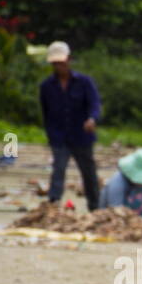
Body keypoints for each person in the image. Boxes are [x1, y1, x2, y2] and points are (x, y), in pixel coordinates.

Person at [38, 41, 101, 211]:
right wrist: (50, 134)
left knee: (89, 173)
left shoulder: (84, 82)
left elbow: (94, 104)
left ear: (69, 60)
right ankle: (53, 205)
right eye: (56, 64)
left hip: (81, 135)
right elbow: (46, 112)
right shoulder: (46, 87)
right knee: (58, 171)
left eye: (62, 62)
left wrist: (92, 119)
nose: (59, 67)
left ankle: (94, 207)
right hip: (59, 136)